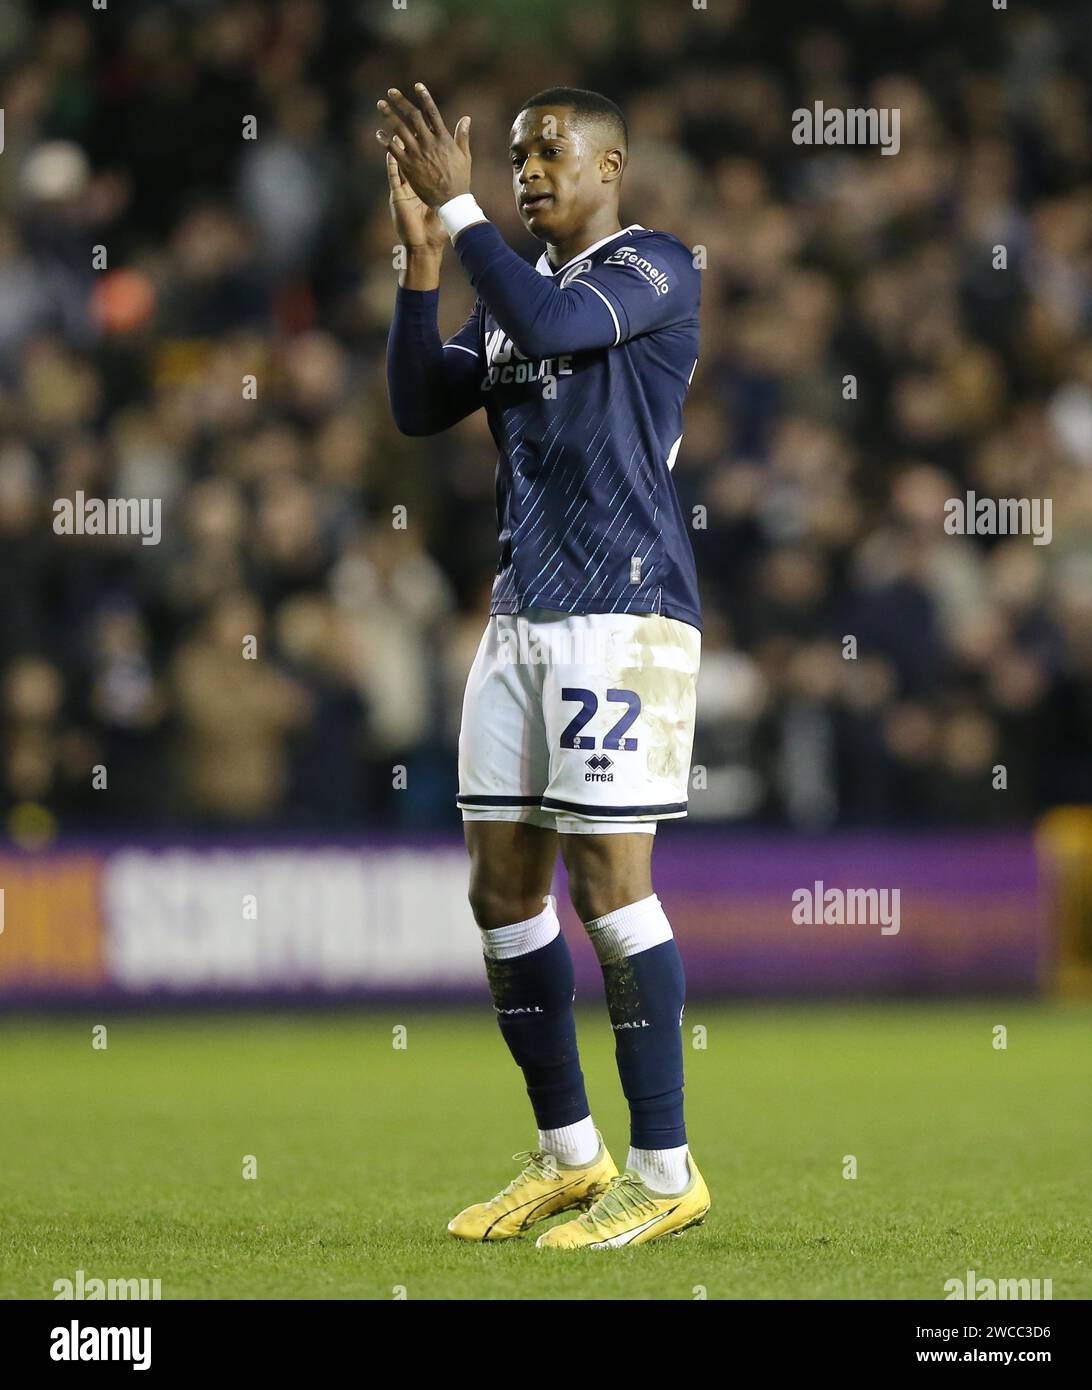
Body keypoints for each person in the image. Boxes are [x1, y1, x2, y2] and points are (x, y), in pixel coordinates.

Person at [380, 83, 708, 1248]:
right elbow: (422, 402)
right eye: (515, 156)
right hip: (521, 616)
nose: (528, 169)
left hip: (624, 616)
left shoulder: (654, 267)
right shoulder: (515, 293)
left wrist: (461, 210)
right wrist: (424, 263)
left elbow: (563, 332)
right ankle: (571, 1153)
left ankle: (665, 1168)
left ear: (612, 162)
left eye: (550, 151)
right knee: (502, 892)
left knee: (611, 888)